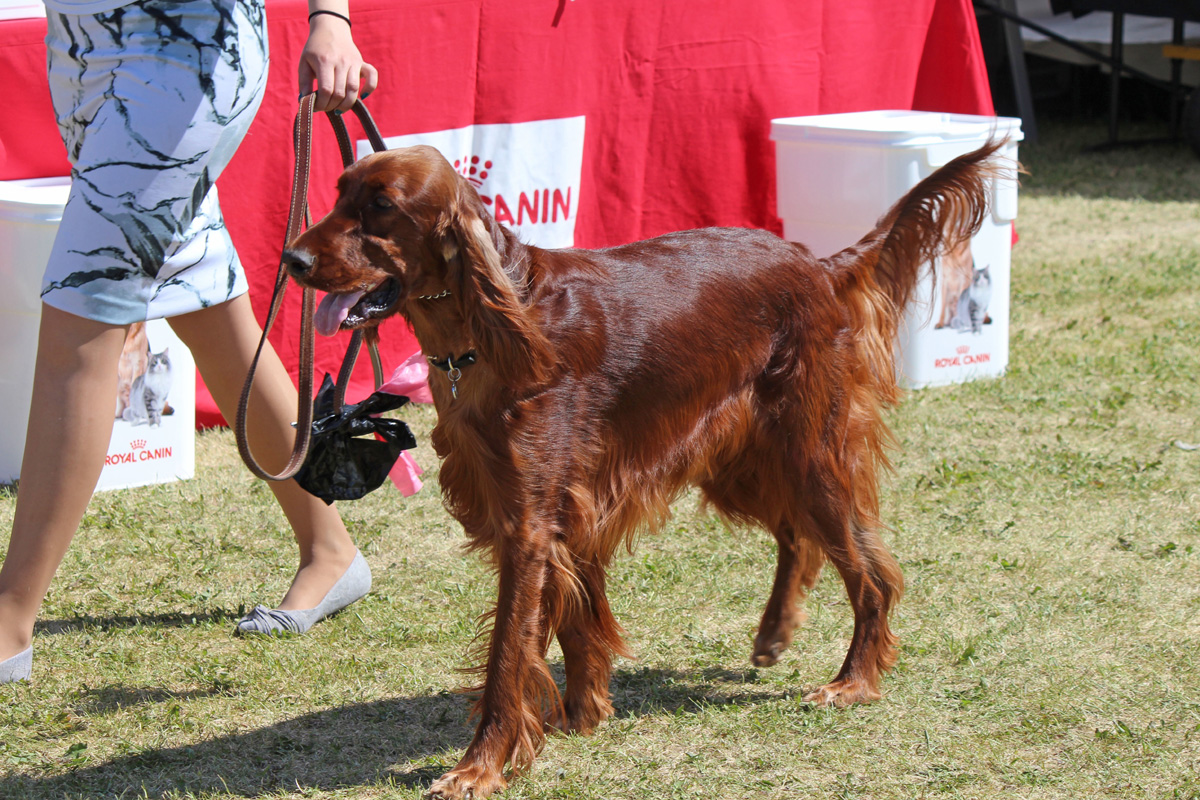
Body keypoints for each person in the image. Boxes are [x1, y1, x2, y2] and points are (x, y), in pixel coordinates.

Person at [0, 0, 380, 684]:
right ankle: (329, 547)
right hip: (83, 46)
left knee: (81, 322)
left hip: (184, 51)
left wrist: (331, 16)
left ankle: (7, 624)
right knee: (207, 304)